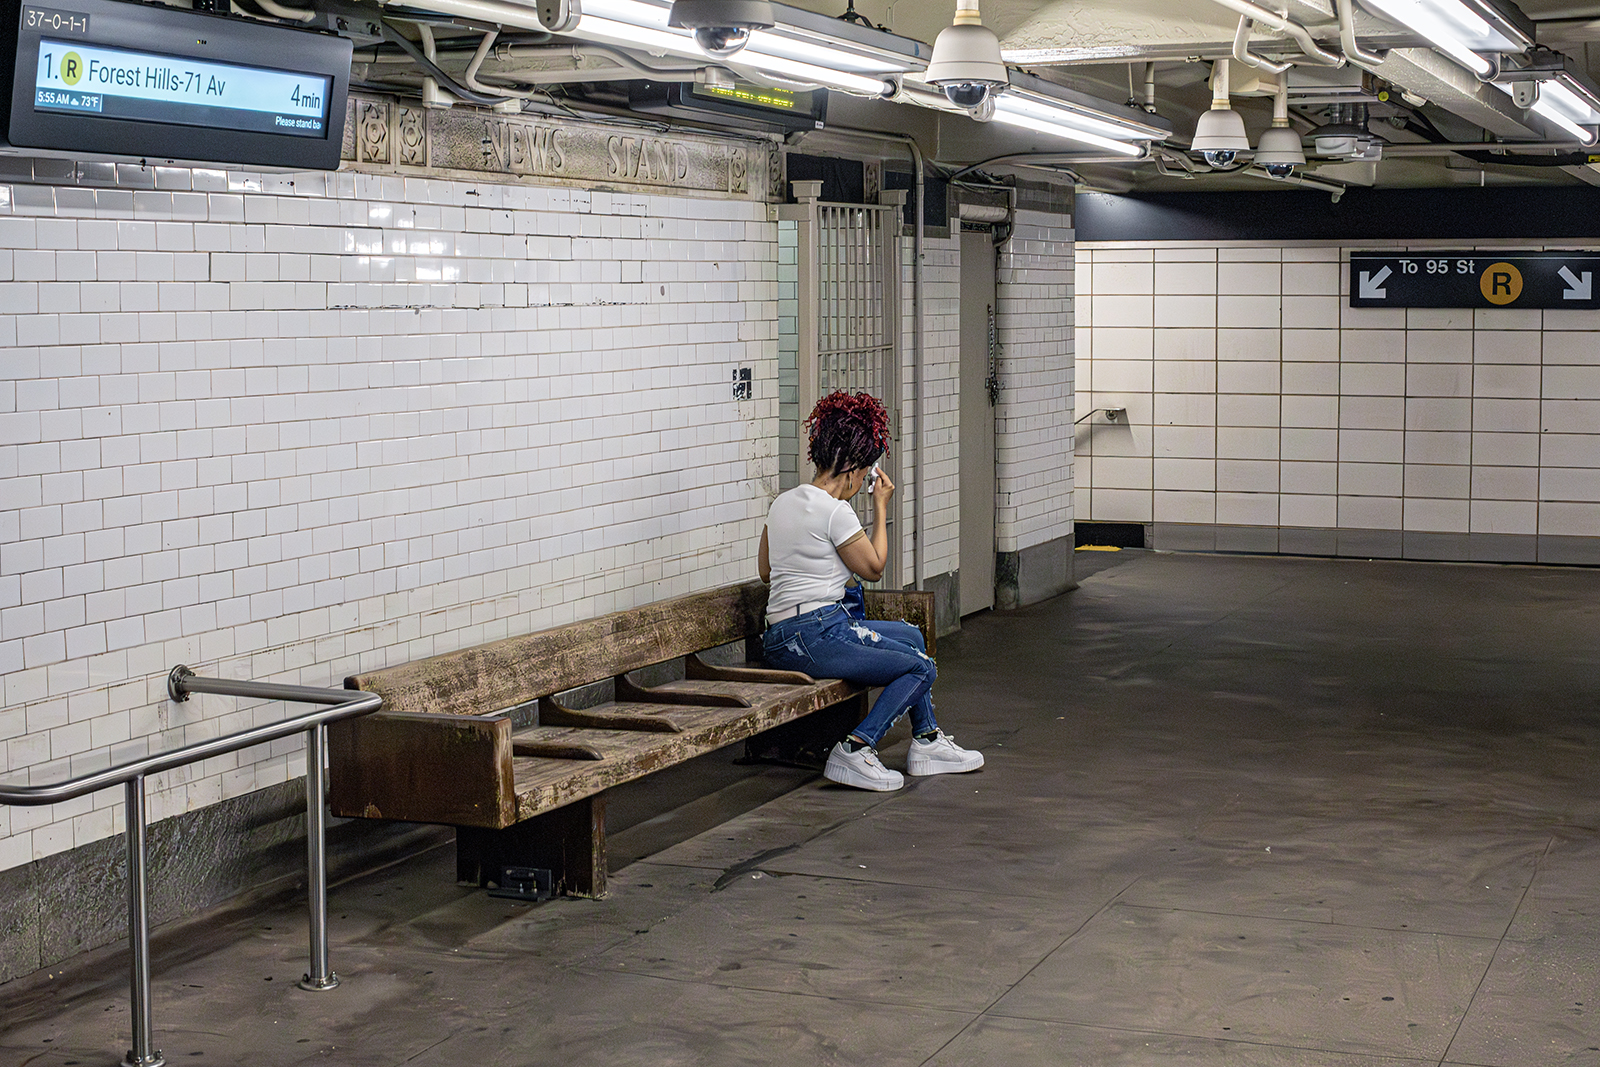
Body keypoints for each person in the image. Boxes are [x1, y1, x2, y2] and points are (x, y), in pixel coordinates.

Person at [757, 390, 984, 791]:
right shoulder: (835, 511)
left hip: (782, 636)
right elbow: (875, 568)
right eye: (863, 474)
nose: (862, 482)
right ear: (851, 469)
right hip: (816, 634)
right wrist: (881, 506)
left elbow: (765, 572)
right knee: (920, 667)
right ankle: (856, 748)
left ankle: (927, 739)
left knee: (912, 638)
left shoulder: (783, 503)